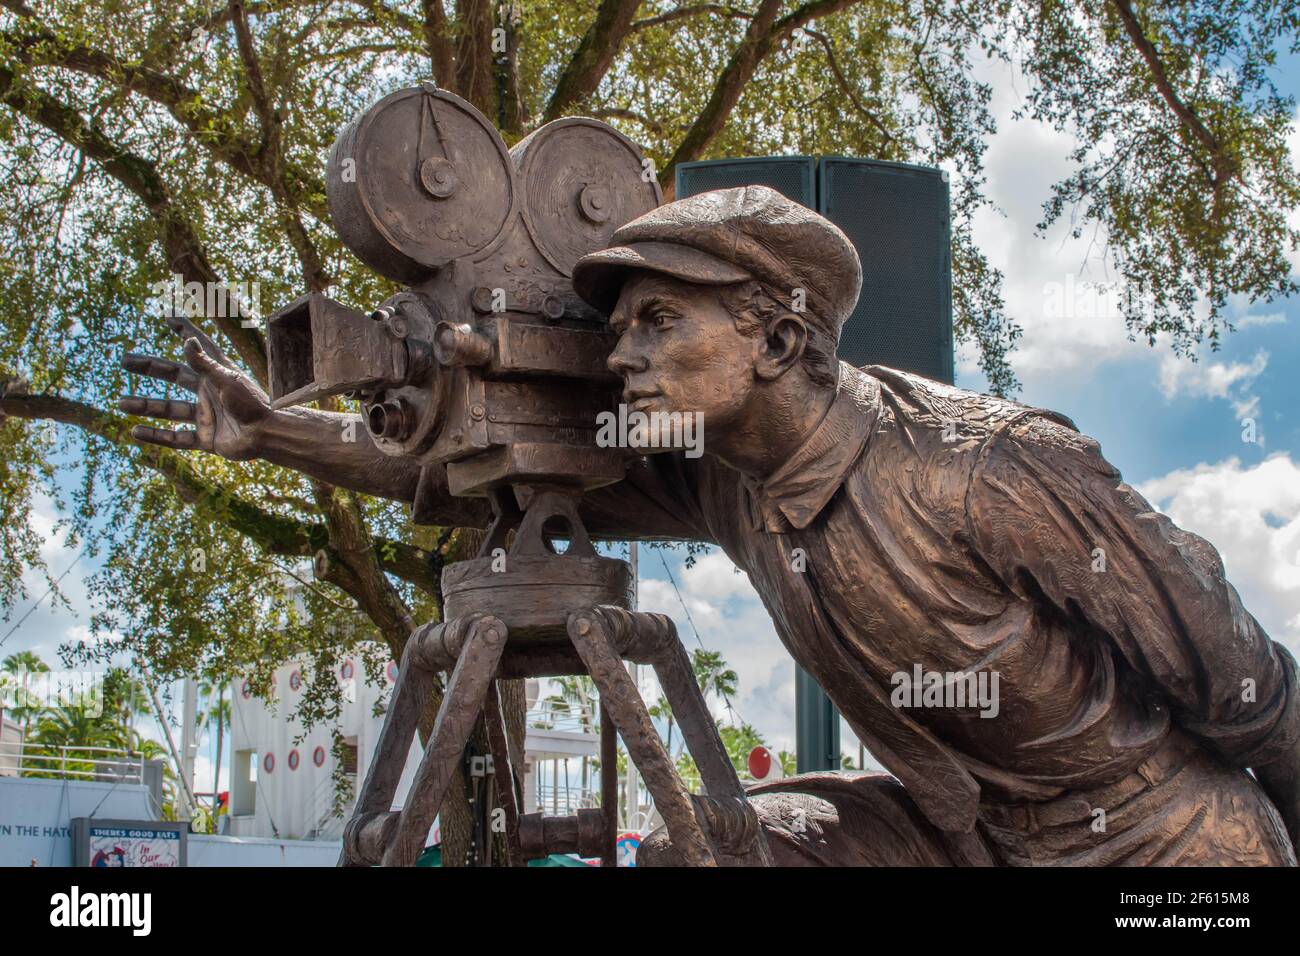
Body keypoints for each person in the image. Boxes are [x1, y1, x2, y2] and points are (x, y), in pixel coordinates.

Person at [121, 185, 1299, 865]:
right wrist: (276, 431)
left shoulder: (988, 469)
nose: (618, 356)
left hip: (1160, 849)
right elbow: (504, 471)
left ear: (777, 340)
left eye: (654, 321)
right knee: (710, 845)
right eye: (619, 328)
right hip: (959, 838)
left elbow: (1243, 679)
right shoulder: (719, 473)